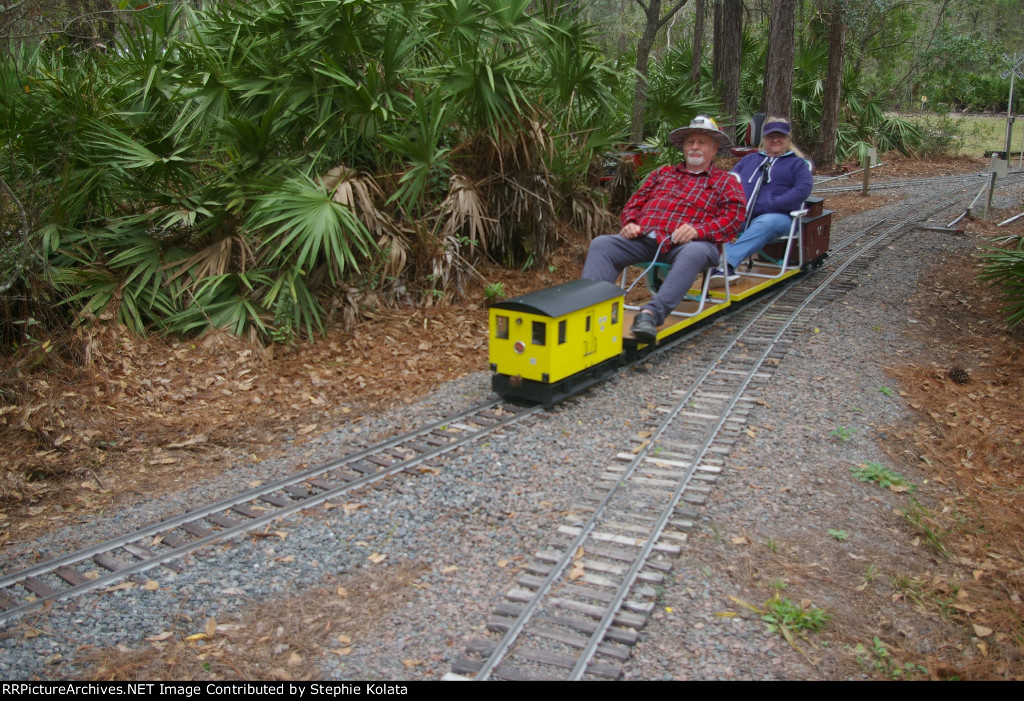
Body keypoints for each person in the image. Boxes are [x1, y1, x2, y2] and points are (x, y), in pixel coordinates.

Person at [581, 115, 746, 344]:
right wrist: (630, 222)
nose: (695, 147)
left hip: (691, 245)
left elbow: (734, 218)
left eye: (702, 142)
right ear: (683, 147)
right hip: (646, 238)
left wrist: (698, 231)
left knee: (693, 253)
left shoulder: (726, 181)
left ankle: (650, 315)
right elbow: (635, 203)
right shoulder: (663, 173)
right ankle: (587, 312)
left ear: (714, 149)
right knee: (603, 244)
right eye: (691, 142)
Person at [710, 117, 813, 285]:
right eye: (770, 136)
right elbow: (729, 182)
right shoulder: (749, 160)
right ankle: (706, 264)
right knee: (719, 220)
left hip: (779, 217)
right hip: (743, 213)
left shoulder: (797, 164)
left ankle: (725, 265)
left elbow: (801, 191)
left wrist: (771, 204)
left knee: (766, 222)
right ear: (764, 139)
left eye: (780, 136)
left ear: (788, 139)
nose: (775, 140)